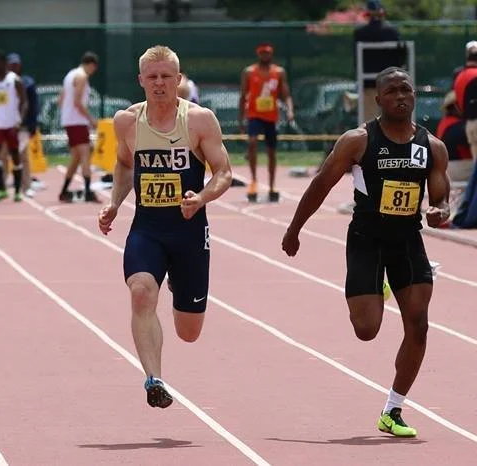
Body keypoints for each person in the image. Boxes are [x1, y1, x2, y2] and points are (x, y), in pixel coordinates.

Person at [282, 67, 451, 437]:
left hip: (408, 241)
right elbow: (321, 184)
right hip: (366, 240)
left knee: (419, 326)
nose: (400, 96)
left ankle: (393, 409)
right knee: (366, 329)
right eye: (391, 91)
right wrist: (295, 229)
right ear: (378, 99)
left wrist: (440, 212)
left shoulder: (432, 147)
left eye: (405, 89)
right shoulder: (358, 141)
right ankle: (381, 290)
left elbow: (440, 199)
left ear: (414, 95)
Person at [97, 45, 233, 409]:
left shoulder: (199, 120)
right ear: (141, 80)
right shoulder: (127, 121)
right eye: (152, 77)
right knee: (141, 291)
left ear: (179, 79)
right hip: (148, 228)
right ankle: (153, 378)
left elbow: (224, 172)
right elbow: (125, 166)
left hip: (189, 231)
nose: (159, 83)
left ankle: (177, 284)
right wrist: (114, 203)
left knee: (189, 332)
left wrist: (202, 198)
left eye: (166, 76)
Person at [238, 43, 294, 202]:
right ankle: (254, 181)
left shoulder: (279, 72)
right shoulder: (249, 72)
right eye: (262, 53)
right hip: (254, 115)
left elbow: (286, 94)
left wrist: (290, 110)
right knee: (252, 142)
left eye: (267, 53)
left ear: (271, 54)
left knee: (271, 152)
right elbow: (243, 95)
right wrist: (241, 118)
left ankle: (272, 185)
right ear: (258, 54)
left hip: (271, 116)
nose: (265, 56)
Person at [0, 49, 27, 202]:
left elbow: (24, 102)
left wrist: (19, 119)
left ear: (3, 63)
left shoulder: (14, 80)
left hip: (11, 124)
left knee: (15, 156)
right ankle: (1, 188)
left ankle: (17, 190)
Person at [59, 51, 100, 203]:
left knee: (76, 158)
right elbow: (77, 102)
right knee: (85, 154)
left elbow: (60, 99)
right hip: (77, 121)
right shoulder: (82, 76)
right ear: (92, 65)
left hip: (70, 120)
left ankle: (63, 191)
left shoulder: (70, 75)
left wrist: (65, 114)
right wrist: (90, 119)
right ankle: (88, 191)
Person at [8, 52, 42, 197]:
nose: (14, 67)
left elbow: (33, 105)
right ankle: (1, 186)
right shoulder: (3, 83)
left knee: (22, 155)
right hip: (6, 125)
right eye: (11, 64)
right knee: (3, 156)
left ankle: (26, 186)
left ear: (20, 65)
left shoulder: (27, 82)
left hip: (22, 126)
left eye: (16, 64)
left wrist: (32, 125)